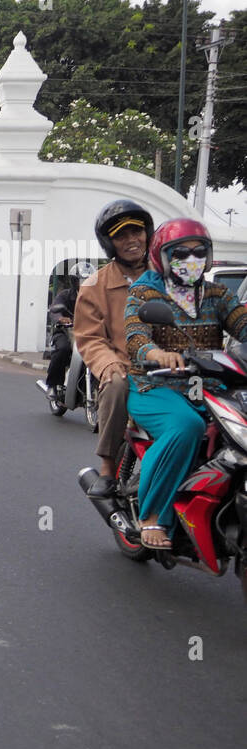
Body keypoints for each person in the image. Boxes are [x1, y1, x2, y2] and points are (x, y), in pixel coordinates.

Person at [124, 218, 247, 548]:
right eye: (180, 253)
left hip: (211, 387)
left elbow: (242, 324)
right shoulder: (146, 292)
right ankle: (151, 516)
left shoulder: (217, 294)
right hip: (157, 386)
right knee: (187, 427)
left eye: (198, 252)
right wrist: (157, 354)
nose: (190, 260)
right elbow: (135, 338)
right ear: (162, 257)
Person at [75, 200, 155, 497]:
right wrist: (109, 365)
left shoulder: (166, 276)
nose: (132, 240)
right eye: (122, 235)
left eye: (137, 231)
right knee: (117, 383)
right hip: (125, 368)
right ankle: (108, 469)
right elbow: (89, 338)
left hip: (169, 366)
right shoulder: (94, 285)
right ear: (110, 243)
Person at [36, 261, 96, 407]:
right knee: (62, 350)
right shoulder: (65, 295)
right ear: (74, 281)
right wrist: (61, 319)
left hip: (88, 334)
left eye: (88, 280)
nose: (84, 284)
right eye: (81, 281)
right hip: (65, 331)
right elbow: (54, 310)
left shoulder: (97, 298)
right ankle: (52, 385)